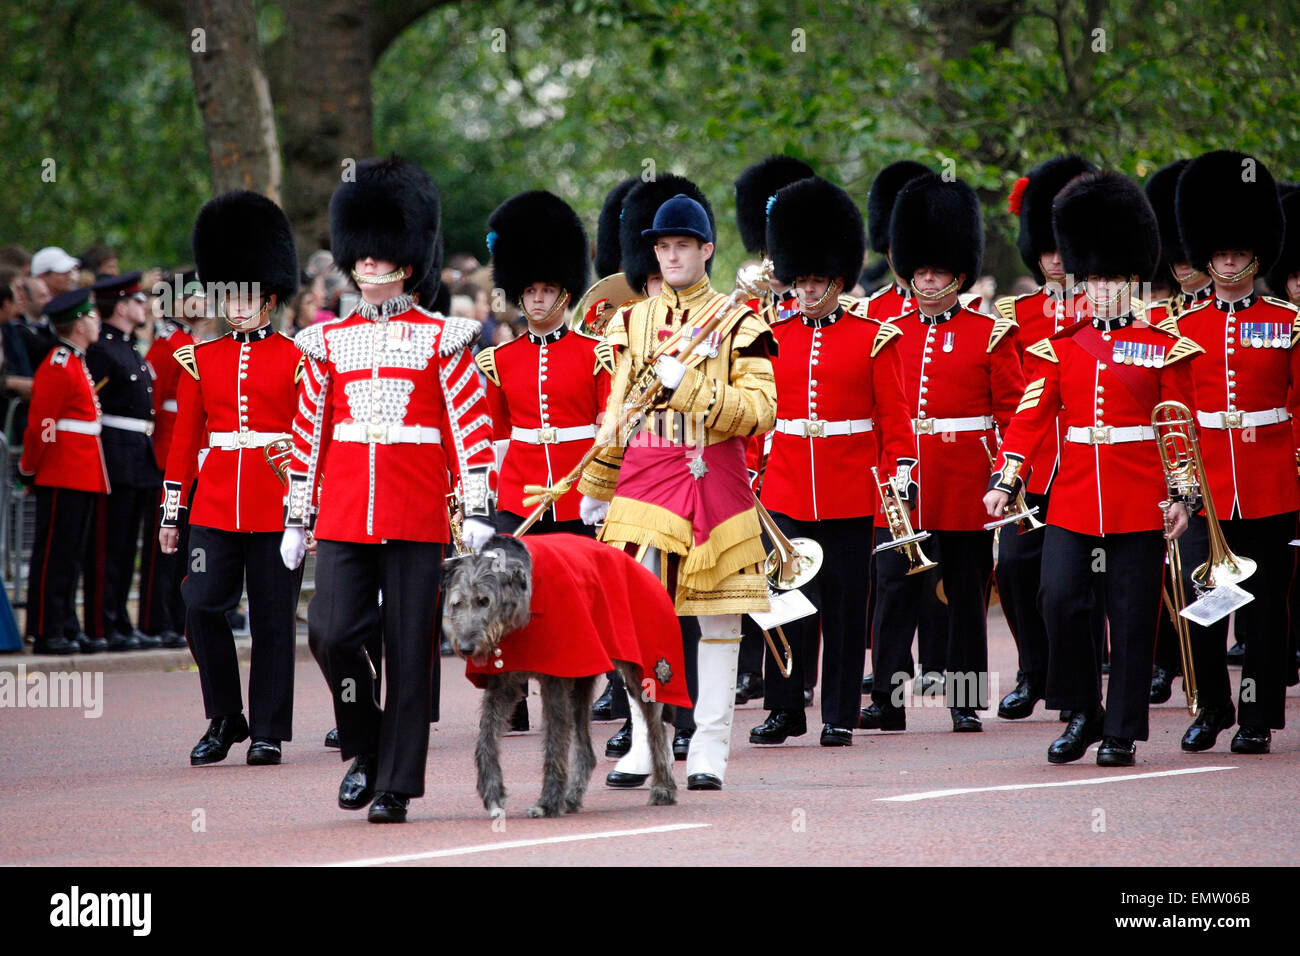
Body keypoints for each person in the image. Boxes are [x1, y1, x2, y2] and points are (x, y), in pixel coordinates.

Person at [283, 157, 496, 823]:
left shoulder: (446, 339)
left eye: (382, 257)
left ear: (407, 263)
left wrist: (478, 507)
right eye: (362, 257)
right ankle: (365, 745)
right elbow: (308, 431)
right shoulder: (326, 342)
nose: (370, 266)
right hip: (345, 511)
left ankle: (398, 783)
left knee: (409, 652)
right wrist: (297, 515)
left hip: (414, 510)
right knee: (331, 632)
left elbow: (469, 424)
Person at [984, 170, 1200, 766]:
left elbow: (1177, 423)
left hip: (1138, 495)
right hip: (1077, 493)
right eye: (1094, 279)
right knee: (1058, 599)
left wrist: (1184, 494)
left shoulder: (1163, 343)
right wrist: (1009, 476)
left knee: (1132, 617)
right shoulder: (1064, 344)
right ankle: (1082, 710)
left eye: (1114, 280)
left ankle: (1123, 731)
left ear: (1134, 280)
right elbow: (1031, 415)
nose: (1102, 290)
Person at [578, 185, 777, 792]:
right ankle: (647, 741)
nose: (670, 256)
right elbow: (619, 411)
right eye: (662, 247)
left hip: (714, 477)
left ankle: (711, 747)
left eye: (682, 246)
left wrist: (688, 384)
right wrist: (599, 480)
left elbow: (760, 411)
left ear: (706, 250)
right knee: (643, 619)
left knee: (718, 623)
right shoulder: (631, 321)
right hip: (643, 482)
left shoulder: (742, 322)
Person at [747, 175, 912, 746]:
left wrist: (899, 481)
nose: (809, 290)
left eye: (819, 281)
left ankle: (838, 713)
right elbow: (758, 412)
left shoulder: (873, 337)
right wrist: (750, 470)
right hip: (788, 484)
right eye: (802, 280)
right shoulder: (772, 335)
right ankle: (784, 708)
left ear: (837, 281)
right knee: (785, 599)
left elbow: (895, 420)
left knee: (843, 607)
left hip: (850, 486)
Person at [862, 173, 1023, 735]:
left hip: (963, 482)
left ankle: (963, 698)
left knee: (961, 595)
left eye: (938, 272)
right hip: (902, 483)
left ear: (957, 273)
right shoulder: (886, 328)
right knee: (892, 587)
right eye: (920, 271)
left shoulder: (988, 331)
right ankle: (888, 694)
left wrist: (1006, 475)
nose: (928, 281)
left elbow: (1010, 411)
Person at [159, 191, 306, 767]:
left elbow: (305, 442)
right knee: (200, 606)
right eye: (231, 294)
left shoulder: (297, 358)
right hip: (215, 504)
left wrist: (304, 509)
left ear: (268, 298)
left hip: (274, 504)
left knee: (273, 621)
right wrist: (174, 514)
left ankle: (268, 728)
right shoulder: (201, 359)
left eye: (248, 295)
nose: (238, 304)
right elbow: (185, 444)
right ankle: (225, 717)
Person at [1171, 150, 1297, 755]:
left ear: (1256, 253)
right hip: (1207, 484)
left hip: (1272, 476)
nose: (1226, 259)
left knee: (1265, 608)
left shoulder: (1287, 322)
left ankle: (1254, 717)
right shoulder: (1183, 327)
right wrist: (1177, 486)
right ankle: (1212, 706)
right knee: (1205, 597)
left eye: (1237, 250)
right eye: (1218, 251)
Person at [993, 154, 1096, 720]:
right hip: (1030, 465)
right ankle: (1034, 670)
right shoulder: (1017, 313)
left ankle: (1076, 679)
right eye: (1047, 249)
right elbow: (1011, 397)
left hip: (1084, 463)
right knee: (1013, 567)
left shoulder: (1104, 311)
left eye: (1064, 248)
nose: (1055, 260)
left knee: (1081, 582)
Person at [733, 155, 816, 706]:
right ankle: (750, 667)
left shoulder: (803, 297)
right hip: (755, 441)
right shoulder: (749, 292)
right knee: (743, 559)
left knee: (787, 567)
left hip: (791, 449)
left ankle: (790, 678)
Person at [1142, 158, 1217, 703]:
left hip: (1237, 459)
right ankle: (1168, 662)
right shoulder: (1161, 322)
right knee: (1176, 571)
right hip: (1182, 455)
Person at [19, 288, 109, 655]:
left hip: (82, 471)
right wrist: (30, 468)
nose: (96, 322)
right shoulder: (59, 363)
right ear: (77, 324)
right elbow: (42, 424)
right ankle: (45, 629)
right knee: (55, 554)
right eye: (91, 317)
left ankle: (66, 624)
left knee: (71, 556)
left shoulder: (75, 361)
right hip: (61, 472)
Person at [82, 272, 161, 651]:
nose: (143, 307)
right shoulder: (101, 351)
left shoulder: (129, 348)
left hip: (137, 452)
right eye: (137, 301)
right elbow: (90, 403)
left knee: (127, 545)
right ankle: (103, 622)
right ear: (121, 305)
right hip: (115, 450)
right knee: (109, 545)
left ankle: (120, 621)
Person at [138, 272, 207, 649]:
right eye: (195, 295)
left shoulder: (191, 342)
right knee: (164, 548)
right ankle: (155, 619)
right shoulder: (168, 346)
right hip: (169, 455)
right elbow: (156, 404)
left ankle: (177, 618)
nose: (205, 301)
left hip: (194, 456)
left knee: (184, 548)